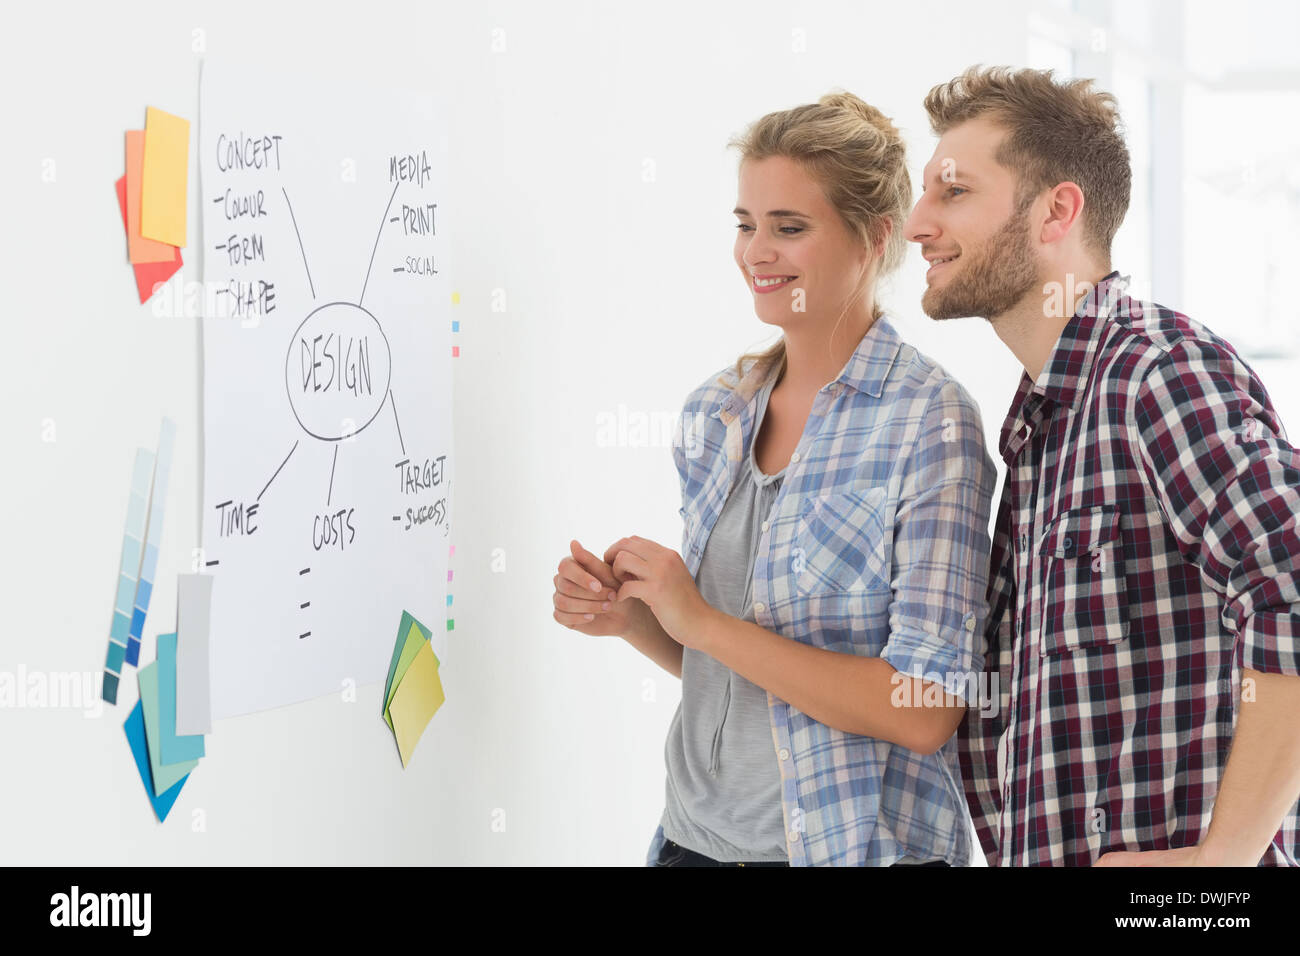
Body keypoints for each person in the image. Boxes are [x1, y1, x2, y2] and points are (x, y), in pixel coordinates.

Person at [552, 91, 997, 865]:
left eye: (789, 228)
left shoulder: (931, 423)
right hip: (691, 843)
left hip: (847, 851)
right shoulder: (717, 413)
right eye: (746, 224)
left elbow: (926, 709)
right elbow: (737, 670)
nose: (757, 251)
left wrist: (702, 621)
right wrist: (638, 621)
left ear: (874, 238)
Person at [904, 64, 1300, 866]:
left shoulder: (1156, 371)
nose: (916, 223)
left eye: (952, 193)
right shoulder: (1043, 425)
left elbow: (1291, 579)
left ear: (1057, 210)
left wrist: (1223, 860)